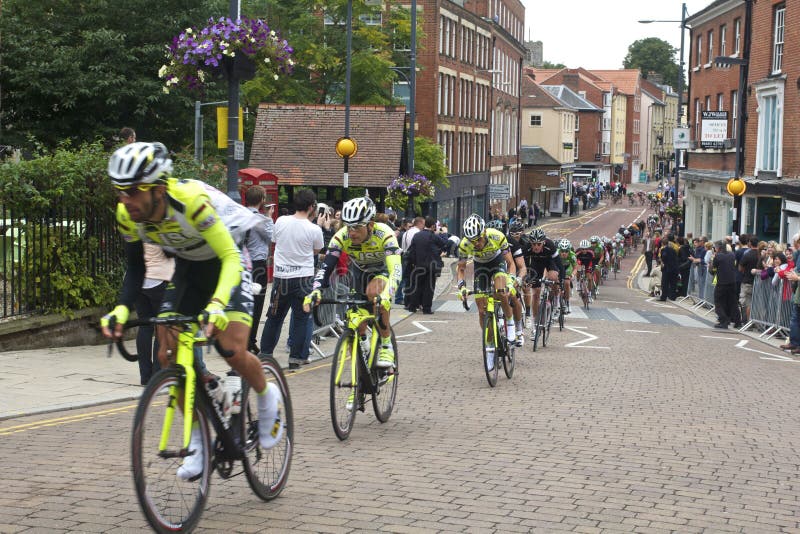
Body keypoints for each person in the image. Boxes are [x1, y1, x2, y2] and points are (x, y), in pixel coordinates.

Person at [100, 141, 285, 481]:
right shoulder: (128, 214)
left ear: (157, 188)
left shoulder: (190, 203)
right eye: (119, 192)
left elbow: (230, 257)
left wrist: (216, 306)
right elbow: (136, 270)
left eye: (133, 191)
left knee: (230, 349)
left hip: (227, 260)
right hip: (188, 269)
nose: (125, 200)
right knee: (168, 355)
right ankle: (199, 436)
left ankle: (265, 393)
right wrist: (121, 310)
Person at [305, 196, 401, 370]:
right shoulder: (341, 237)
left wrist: (387, 295)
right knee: (353, 321)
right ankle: (357, 385)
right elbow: (326, 267)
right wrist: (316, 290)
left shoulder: (384, 234)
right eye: (349, 227)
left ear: (370, 225)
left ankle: (386, 345)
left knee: (374, 294)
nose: (352, 233)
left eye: (357, 227)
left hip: (382, 270)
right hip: (359, 272)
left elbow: (396, 270)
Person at [259, 189, 324, 370]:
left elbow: (274, 240)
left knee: (274, 317)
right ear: (311, 207)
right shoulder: (314, 229)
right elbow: (317, 251)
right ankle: (296, 358)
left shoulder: (280, 221)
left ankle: (265, 356)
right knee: (302, 318)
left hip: (282, 277)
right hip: (303, 278)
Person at [456, 214, 517, 370]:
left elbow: (511, 263)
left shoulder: (497, 236)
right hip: (480, 267)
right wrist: (461, 286)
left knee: (501, 291)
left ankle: (510, 322)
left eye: (477, 239)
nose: (475, 244)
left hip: (497, 263)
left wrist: (510, 282)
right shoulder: (464, 245)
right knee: (482, 311)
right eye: (472, 241)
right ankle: (489, 346)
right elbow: (461, 268)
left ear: (483, 232)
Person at [134, 243, 174, 385]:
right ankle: (157, 374)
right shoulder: (161, 227)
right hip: (159, 279)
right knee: (161, 326)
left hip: (138, 282)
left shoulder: (137, 227)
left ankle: (145, 376)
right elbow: (171, 251)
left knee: (144, 327)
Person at [244, 186, 275, 354]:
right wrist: (269, 217)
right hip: (257, 265)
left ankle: (244, 338)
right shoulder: (259, 219)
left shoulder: (241, 214)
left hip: (242, 264)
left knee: (243, 303)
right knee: (256, 305)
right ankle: (250, 340)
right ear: (262, 200)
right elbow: (271, 236)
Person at [406, 216, 448, 314]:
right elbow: (445, 244)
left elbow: (412, 251)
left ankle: (412, 307)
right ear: (433, 226)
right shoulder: (434, 236)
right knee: (429, 288)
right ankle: (426, 308)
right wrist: (444, 233)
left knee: (417, 286)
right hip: (431, 266)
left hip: (419, 265)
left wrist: (413, 263)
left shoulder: (417, 235)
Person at [709, 240, 741, 329]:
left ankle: (724, 320)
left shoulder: (718, 256)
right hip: (732, 282)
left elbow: (712, 270)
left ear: (717, 248)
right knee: (733, 302)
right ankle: (738, 321)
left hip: (722, 283)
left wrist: (712, 259)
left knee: (718, 302)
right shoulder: (732, 255)